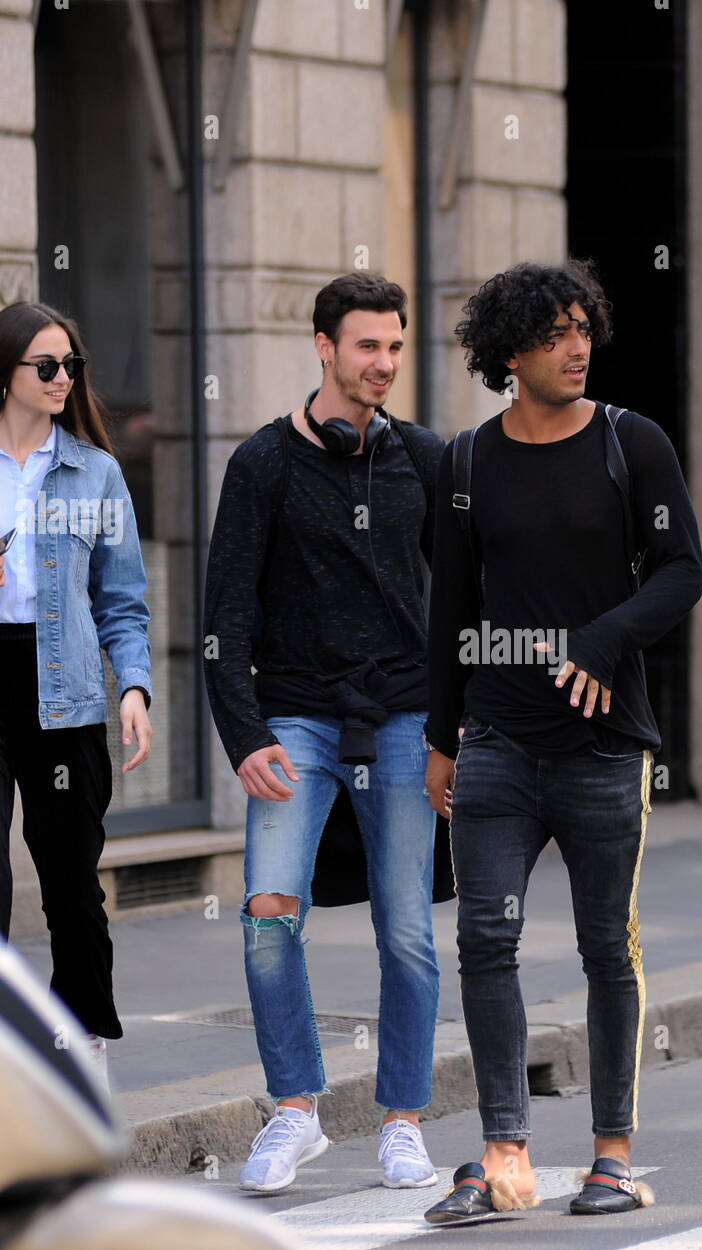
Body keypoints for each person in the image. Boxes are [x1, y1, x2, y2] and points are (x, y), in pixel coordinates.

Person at [423, 260, 702, 1222]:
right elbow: (450, 610)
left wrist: (600, 638)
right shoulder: (464, 462)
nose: (576, 347)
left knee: (604, 951)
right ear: (510, 354)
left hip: (602, 751)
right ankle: (505, 1154)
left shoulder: (634, 445)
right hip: (496, 744)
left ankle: (613, 1157)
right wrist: (439, 736)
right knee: (484, 941)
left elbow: (681, 571)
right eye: (553, 334)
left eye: (583, 328)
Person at [204, 272, 449, 1194]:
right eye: (365, 347)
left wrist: (452, 733)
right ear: (324, 347)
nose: (383, 363)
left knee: (407, 931)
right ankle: (296, 1110)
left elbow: (466, 603)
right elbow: (222, 612)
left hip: (402, 717)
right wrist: (244, 735)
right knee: (270, 911)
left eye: (394, 346)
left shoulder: (425, 460)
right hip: (295, 717)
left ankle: (401, 1122)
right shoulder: (262, 465)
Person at [0, 301, 152, 1088]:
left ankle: (80, 1042)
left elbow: (123, 598)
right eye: (47, 366)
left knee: (69, 878)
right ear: (8, 373)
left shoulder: (94, 471)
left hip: (61, 683)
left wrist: (132, 685)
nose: (64, 379)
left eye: (71, 367)